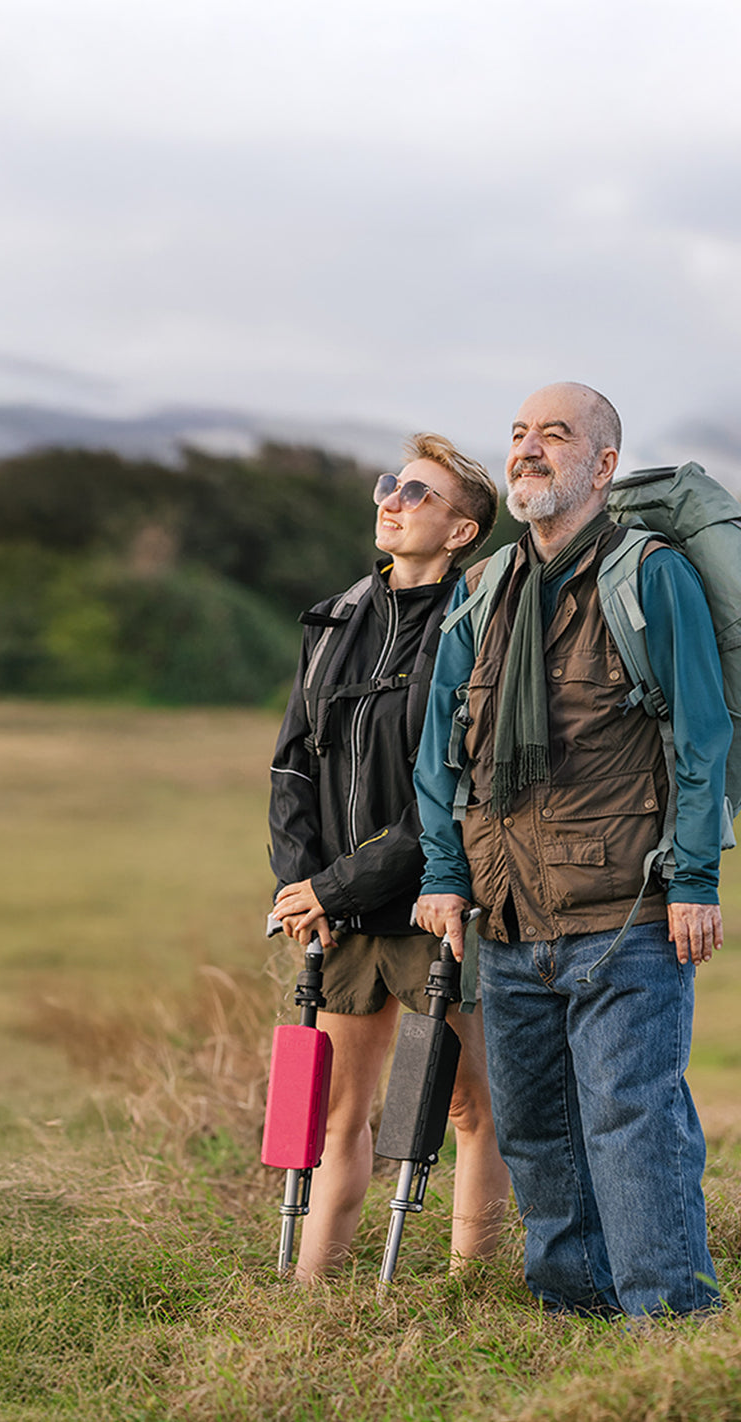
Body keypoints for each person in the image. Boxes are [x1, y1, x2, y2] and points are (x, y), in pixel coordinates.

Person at [414, 383, 732, 1318]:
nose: (528, 450)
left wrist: (697, 878)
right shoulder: (482, 588)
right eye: (518, 434)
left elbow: (700, 736)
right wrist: (442, 875)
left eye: (556, 434)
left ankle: (672, 1320)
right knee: (538, 1132)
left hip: (624, 909)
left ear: (602, 465)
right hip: (509, 913)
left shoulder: (649, 575)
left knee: (635, 1123)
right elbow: (442, 748)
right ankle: (572, 1310)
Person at [268, 433, 510, 1281]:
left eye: (418, 494)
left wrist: (333, 885)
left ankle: (468, 1290)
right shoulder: (333, 622)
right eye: (389, 485)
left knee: (469, 1107)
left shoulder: (477, 632)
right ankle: (309, 1299)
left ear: (462, 532)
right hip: (337, 913)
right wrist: (300, 887)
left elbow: (450, 791)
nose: (392, 501)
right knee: (341, 1113)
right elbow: (292, 762)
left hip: (436, 900)